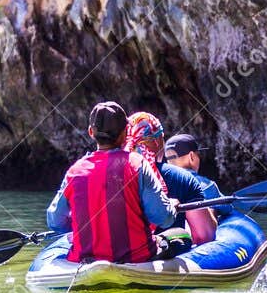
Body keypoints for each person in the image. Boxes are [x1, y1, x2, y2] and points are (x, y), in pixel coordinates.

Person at [46, 101, 179, 264]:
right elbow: (162, 218)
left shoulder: (74, 171)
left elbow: (55, 221)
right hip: (138, 258)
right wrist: (171, 206)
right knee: (182, 235)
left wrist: (83, 225)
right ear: (125, 132)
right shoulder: (137, 164)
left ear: (91, 132)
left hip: (84, 259)